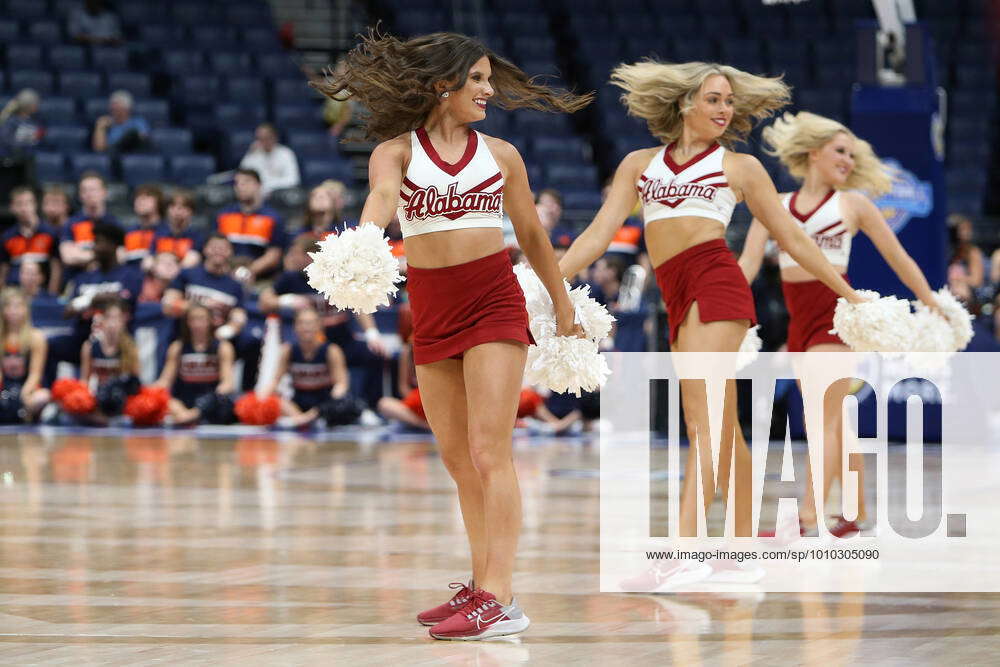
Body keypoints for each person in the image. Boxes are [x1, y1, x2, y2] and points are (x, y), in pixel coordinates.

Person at [315, 30, 589, 639]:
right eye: (479, 80)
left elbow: (534, 237)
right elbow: (382, 199)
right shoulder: (394, 152)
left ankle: (502, 597)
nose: (489, 91)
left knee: (492, 453)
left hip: (492, 299)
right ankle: (480, 583)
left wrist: (563, 306)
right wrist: (362, 243)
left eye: (490, 80)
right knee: (458, 459)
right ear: (445, 84)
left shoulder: (503, 155)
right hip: (431, 306)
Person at [559, 61, 863, 585]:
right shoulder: (639, 164)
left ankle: (681, 548)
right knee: (717, 424)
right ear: (684, 104)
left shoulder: (739, 167)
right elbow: (596, 235)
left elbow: (792, 239)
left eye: (728, 102)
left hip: (716, 283)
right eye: (714, 100)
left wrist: (850, 295)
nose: (725, 110)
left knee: (703, 421)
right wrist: (539, 281)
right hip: (674, 293)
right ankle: (741, 547)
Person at [740, 111, 939, 538]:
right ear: (814, 153)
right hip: (799, 324)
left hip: (837, 321)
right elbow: (748, 266)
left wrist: (933, 303)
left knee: (820, 420)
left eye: (852, 154)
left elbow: (900, 260)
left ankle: (807, 517)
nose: (848, 160)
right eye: (840, 151)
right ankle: (857, 512)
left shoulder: (852, 204)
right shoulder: (774, 204)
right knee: (835, 422)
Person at [162, 234, 260, 391]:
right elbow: (168, 305)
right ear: (205, 250)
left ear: (230, 252)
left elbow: (239, 316)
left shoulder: (234, 285)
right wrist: (200, 306)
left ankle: (247, 393)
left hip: (217, 337)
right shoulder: (188, 274)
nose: (218, 251)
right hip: (186, 333)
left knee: (252, 341)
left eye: (224, 248)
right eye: (214, 247)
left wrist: (226, 331)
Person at [259, 308, 353, 428]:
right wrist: (261, 398)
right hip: (298, 403)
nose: (306, 327)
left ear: (319, 326)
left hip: (325, 403)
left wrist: (328, 403)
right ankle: (301, 419)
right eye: (301, 323)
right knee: (273, 400)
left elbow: (341, 384)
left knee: (342, 402)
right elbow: (275, 381)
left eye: (310, 323)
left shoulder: (332, 350)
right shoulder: (288, 350)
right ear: (295, 327)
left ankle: (305, 420)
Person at [155, 304, 235, 425]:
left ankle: (191, 416)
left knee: (223, 401)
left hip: (211, 404)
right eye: (193, 319)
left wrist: (201, 408)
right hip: (183, 402)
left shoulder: (223, 347)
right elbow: (165, 381)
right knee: (166, 401)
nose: (197, 324)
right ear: (187, 322)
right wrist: (150, 393)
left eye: (201, 319)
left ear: (210, 321)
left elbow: (227, 383)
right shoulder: (177, 347)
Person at [215, 168, 287, 282]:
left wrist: (247, 271)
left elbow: (274, 255)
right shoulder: (224, 215)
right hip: (225, 275)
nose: (240, 186)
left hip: (260, 278)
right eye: (237, 183)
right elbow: (216, 248)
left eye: (246, 182)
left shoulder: (272, 218)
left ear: (259, 185)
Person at [79, 296, 140, 423]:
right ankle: (101, 418)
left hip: (121, 397)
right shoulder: (90, 346)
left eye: (117, 318)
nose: (112, 323)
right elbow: (84, 380)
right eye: (109, 318)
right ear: (102, 321)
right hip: (97, 396)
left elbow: (135, 381)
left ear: (123, 321)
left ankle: (107, 418)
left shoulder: (130, 346)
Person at [60, 171, 122, 284]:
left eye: (94, 189)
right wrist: (103, 255)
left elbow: (121, 256)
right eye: (85, 190)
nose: (89, 194)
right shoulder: (71, 223)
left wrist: (82, 255)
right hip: (77, 280)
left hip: (108, 281)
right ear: (80, 195)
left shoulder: (114, 223)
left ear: (104, 192)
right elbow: (68, 257)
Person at [0, 186, 62, 293]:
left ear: (35, 205)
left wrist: (52, 294)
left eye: (27, 203)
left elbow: (55, 267)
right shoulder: (7, 237)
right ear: (12, 207)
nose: (24, 208)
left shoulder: (50, 233)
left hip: (43, 292)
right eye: (19, 204)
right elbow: (4, 269)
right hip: (15, 292)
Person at [0, 287, 49, 421]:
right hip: (4, 387)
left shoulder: (36, 337)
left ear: (26, 309)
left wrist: (23, 395)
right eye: (9, 306)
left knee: (43, 396)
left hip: (27, 388)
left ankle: (25, 414)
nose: (14, 311)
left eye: (18, 306)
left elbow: (35, 374)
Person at [239, 123, 301, 198]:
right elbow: (242, 174)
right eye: (259, 138)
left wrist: (268, 187)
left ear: (275, 137)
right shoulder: (254, 154)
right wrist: (249, 153)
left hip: (280, 195)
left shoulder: (286, 153)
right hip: (257, 195)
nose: (263, 141)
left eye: (266, 138)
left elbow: (293, 179)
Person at [151, 189, 202, 269]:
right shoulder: (158, 233)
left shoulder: (197, 235)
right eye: (173, 206)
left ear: (191, 211)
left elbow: (193, 259)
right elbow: (152, 257)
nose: (178, 210)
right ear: (167, 210)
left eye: (183, 206)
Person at [123, 184, 165, 266]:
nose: (140, 201)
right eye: (138, 198)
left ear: (158, 202)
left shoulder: (167, 232)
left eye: (146, 197)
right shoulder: (129, 232)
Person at [0, 89, 42, 157]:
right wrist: (26, 141)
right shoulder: (11, 121)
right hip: (12, 159)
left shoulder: (36, 120)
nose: (37, 106)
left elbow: (38, 138)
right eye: (35, 104)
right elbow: (6, 141)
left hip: (28, 156)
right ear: (27, 105)